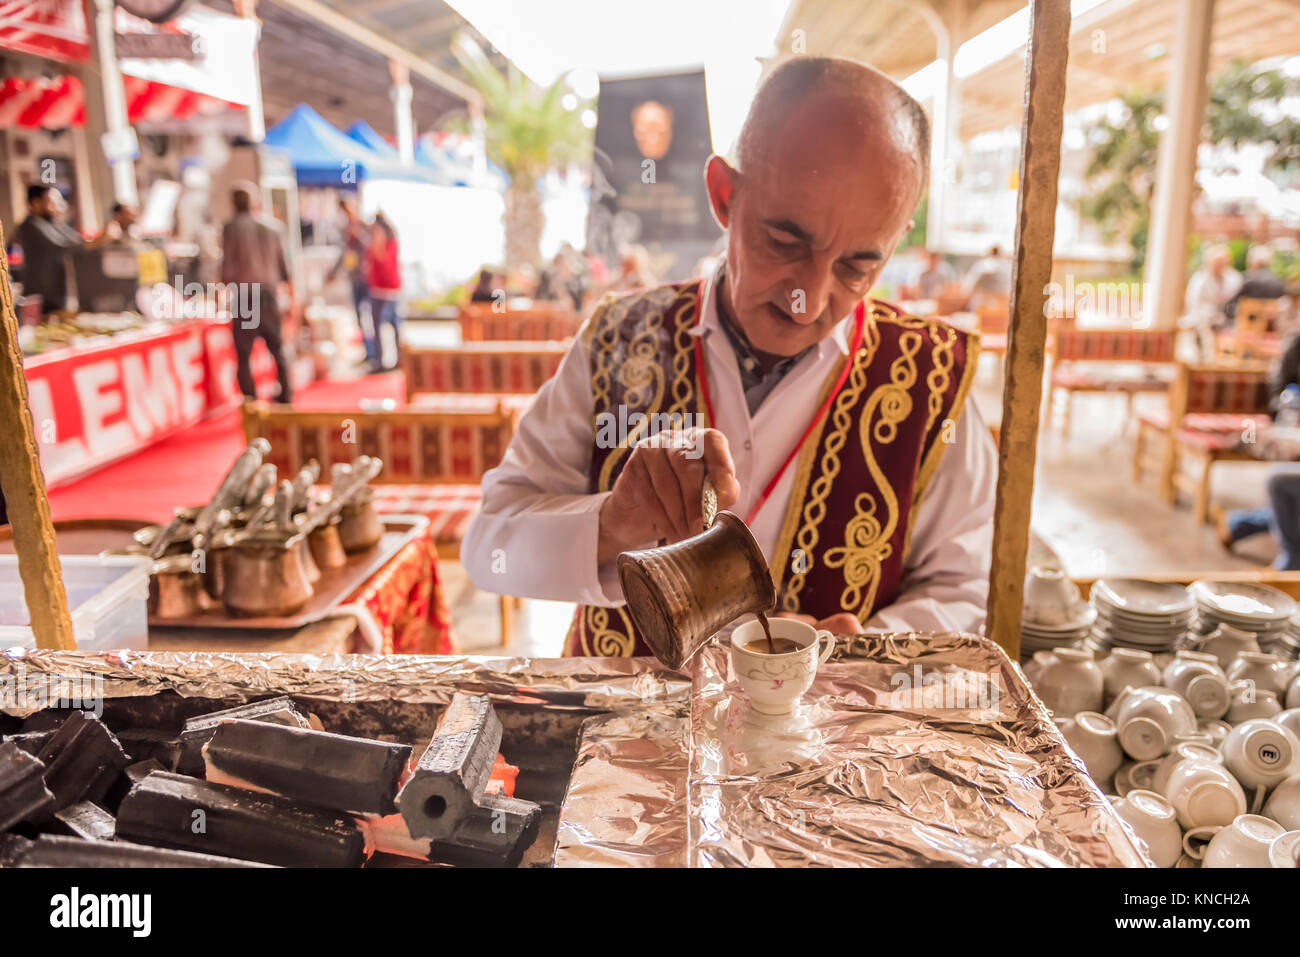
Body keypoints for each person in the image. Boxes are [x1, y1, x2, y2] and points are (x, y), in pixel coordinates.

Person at [460, 56, 996, 656]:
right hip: (624, 738)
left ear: (895, 242)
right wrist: (609, 525)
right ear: (724, 195)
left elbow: (968, 586)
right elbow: (488, 551)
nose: (807, 299)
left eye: (857, 266)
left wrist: (867, 648)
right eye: (784, 241)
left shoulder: (932, 377)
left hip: (824, 744)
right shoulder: (617, 339)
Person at [219, 182, 294, 404]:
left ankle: (251, 400)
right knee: (277, 349)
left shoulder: (232, 228)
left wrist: (221, 291)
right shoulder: (274, 228)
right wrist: (291, 297)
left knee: (244, 353)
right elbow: (286, 269)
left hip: (244, 296)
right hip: (268, 294)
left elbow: (227, 267)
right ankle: (286, 395)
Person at [16, 184, 83, 315]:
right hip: (40, 294)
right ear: (36, 202)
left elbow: (77, 240)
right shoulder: (30, 225)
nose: (57, 206)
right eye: (52, 202)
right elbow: (67, 244)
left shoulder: (53, 223)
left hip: (57, 293)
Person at [1183, 245, 1242, 357]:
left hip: (1228, 319)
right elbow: (1193, 303)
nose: (1220, 265)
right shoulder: (1200, 279)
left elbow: (1237, 301)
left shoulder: (1234, 278)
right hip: (1205, 318)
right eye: (1217, 262)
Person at [363, 212, 402, 371]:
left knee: (387, 325)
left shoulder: (389, 241)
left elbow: (383, 262)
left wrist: (377, 242)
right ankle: (382, 359)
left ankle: (387, 360)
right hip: (380, 288)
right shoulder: (385, 240)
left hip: (386, 289)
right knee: (386, 325)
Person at [327, 200, 369, 344]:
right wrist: (333, 272)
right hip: (355, 278)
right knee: (359, 315)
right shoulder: (347, 232)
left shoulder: (364, 228)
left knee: (369, 316)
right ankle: (368, 349)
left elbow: (371, 250)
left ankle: (373, 350)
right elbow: (345, 255)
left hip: (367, 279)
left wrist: (357, 236)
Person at [1225, 245, 1286, 322]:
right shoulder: (1278, 282)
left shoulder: (1248, 282)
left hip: (1250, 324)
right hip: (1272, 323)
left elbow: (1231, 305)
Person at [962, 245, 1011, 311]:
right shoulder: (1009, 267)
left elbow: (967, 288)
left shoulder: (982, 266)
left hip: (982, 309)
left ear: (989, 253)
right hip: (1004, 310)